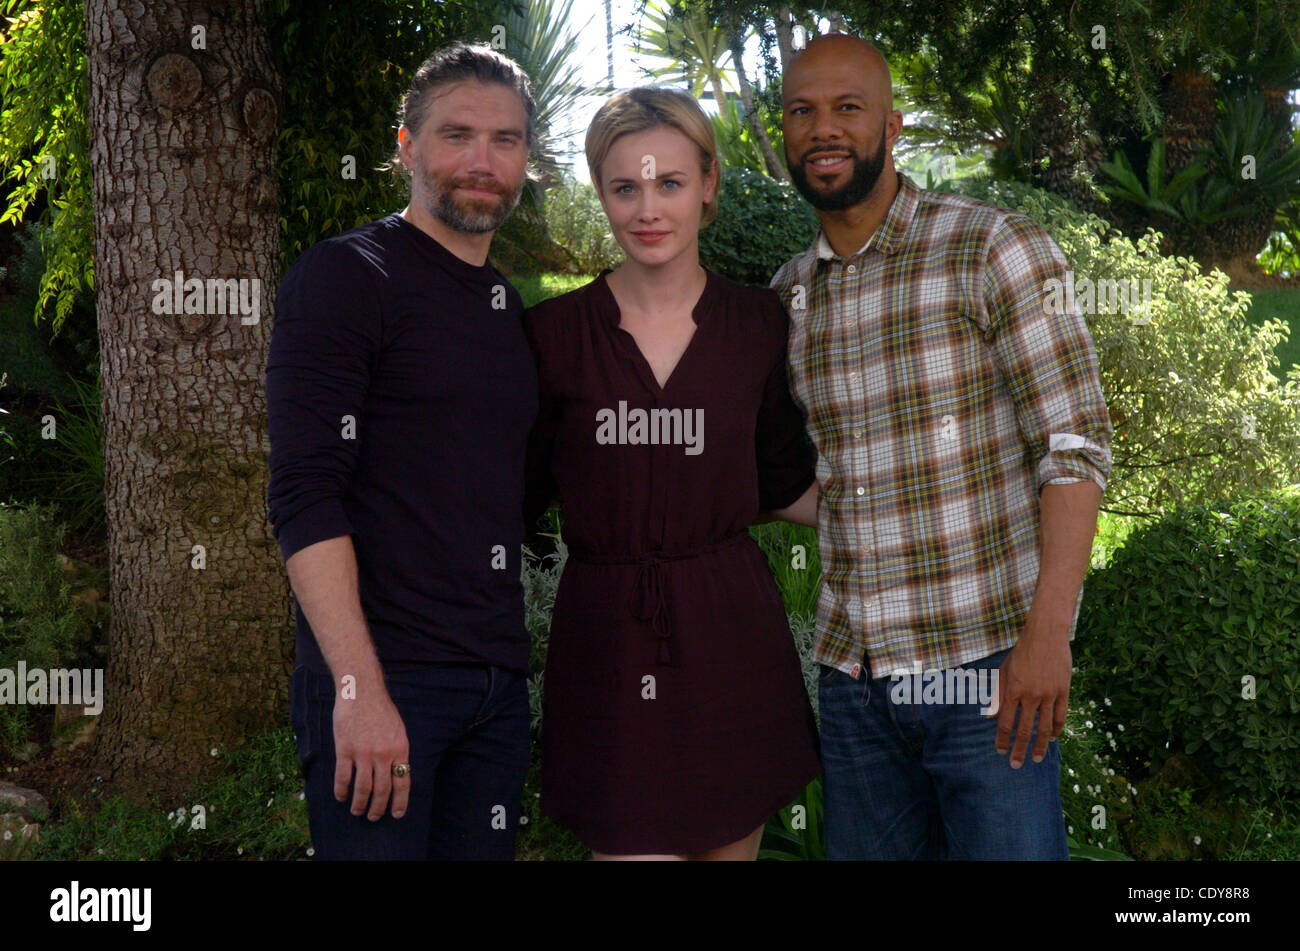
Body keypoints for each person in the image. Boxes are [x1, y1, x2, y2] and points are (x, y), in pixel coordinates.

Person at [770, 33, 1112, 860]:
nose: (825, 129)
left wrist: (1048, 636)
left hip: (988, 670)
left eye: (848, 108)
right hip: (854, 684)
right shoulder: (788, 296)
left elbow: (1075, 447)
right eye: (803, 111)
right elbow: (827, 475)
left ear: (892, 125)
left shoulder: (993, 247)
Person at [522, 87, 821, 860]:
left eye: (670, 183)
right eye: (625, 187)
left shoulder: (760, 324)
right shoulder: (550, 335)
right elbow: (509, 498)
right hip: (608, 641)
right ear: (601, 193)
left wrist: (925, 513)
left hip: (730, 633)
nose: (648, 209)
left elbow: (784, 480)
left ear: (709, 184)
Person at [267, 42, 537, 860]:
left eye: (506, 140)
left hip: (495, 685)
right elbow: (305, 492)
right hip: (388, 681)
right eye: (457, 135)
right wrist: (357, 687)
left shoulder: (504, 305)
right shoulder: (345, 277)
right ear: (406, 147)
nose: (482, 161)